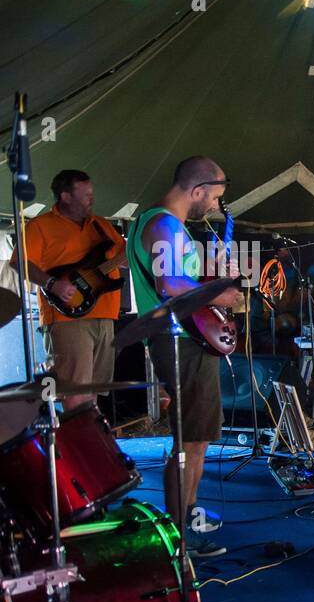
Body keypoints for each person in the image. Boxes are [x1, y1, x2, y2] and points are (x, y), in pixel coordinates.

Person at [126, 157, 243, 559]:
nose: (213, 206)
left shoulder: (159, 225)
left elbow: (179, 280)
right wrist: (221, 294)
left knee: (195, 438)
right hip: (179, 343)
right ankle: (181, 532)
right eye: (213, 198)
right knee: (190, 440)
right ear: (196, 191)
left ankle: (187, 515)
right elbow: (170, 282)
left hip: (183, 340)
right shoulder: (163, 224)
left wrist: (210, 278)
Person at [16, 170, 126, 410]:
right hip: (68, 316)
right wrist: (52, 283)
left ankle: (91, 443)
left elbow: (124, 258)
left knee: (94, 392)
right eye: (86, 194)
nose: (92, 198)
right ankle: (77, 443)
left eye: (91, 193)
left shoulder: (101, 225)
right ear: (65, 197)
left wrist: (145, 245)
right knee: (74, 393)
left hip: (106, 313)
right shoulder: (41, 225)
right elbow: (19, 262)